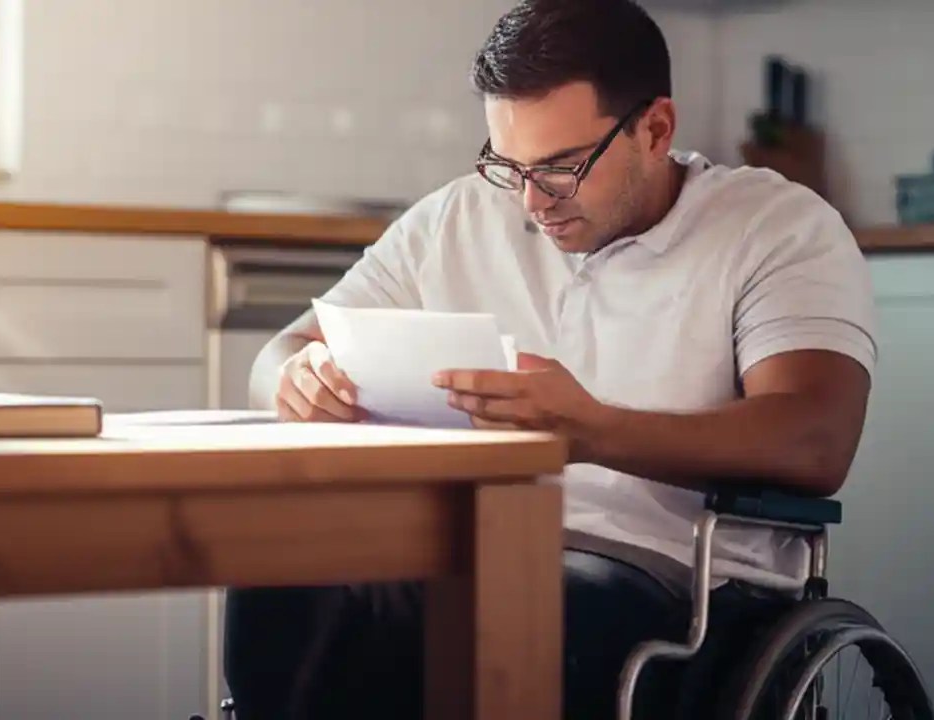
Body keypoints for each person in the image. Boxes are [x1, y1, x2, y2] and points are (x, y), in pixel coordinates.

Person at [223, 0, 877, 717]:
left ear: (656, 129)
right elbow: (281, 353)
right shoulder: (458, 217)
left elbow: (815, 440)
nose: (532, 201)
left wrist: (591, 431)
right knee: (283, 572)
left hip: (670, 579)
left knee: (492, 618)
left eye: (563, 167)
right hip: (464, 543)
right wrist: (295, 381)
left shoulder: (773, 227)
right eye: (510, 165)